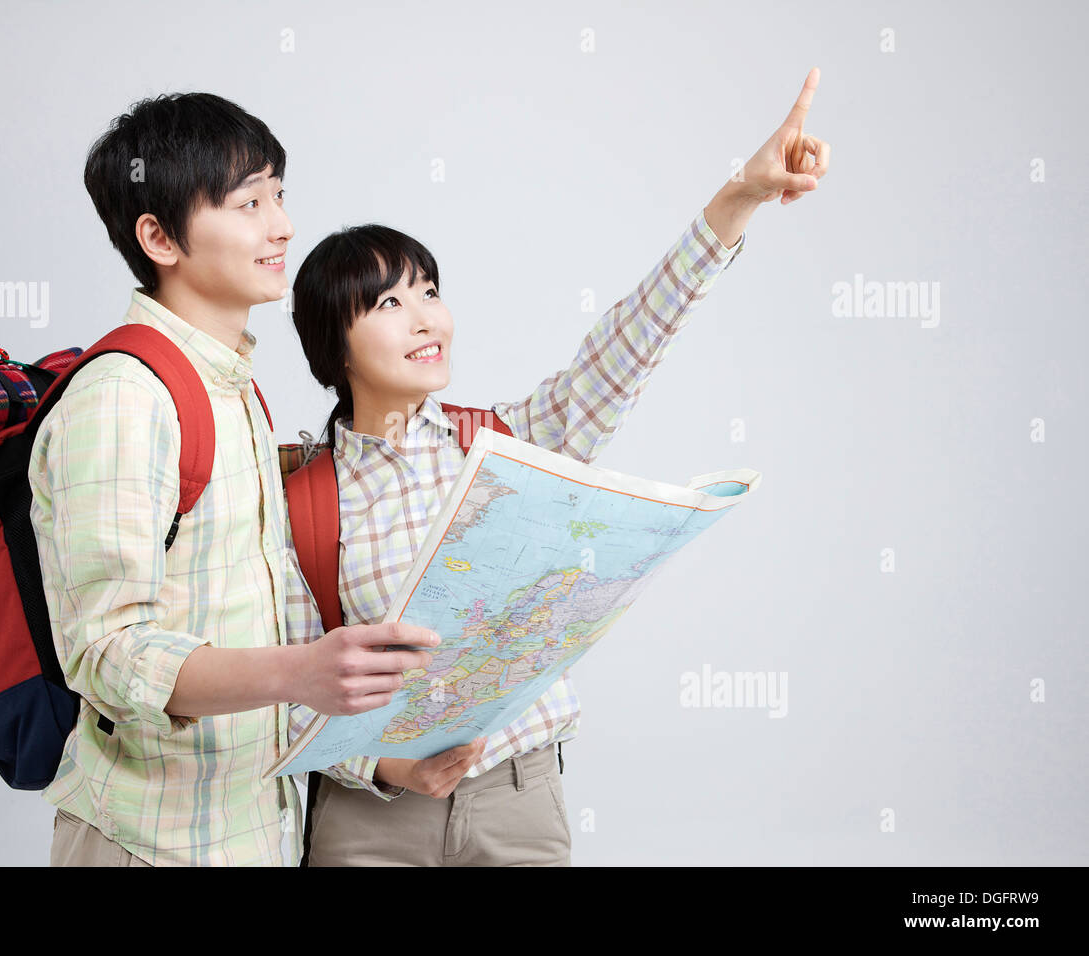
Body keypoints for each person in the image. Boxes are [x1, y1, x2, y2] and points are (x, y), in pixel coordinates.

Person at [283, 69, 831, 865]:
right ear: (334, 346)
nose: (426, 316)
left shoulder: (502, 447)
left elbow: (626, 345)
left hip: (517, 799)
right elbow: (285, 687)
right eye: (389, 303)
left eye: (429, 290)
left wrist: (740, 196)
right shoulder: (300, 500)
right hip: (369, 819)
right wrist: (386, 764)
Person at [28, 92, 439, 867]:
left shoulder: (234, 388)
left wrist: (375, 758)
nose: (281, 224)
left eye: (278, 195)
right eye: (247, 202)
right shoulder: (124, 395)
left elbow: (270, 633)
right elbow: (107, 653)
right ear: (159, 236)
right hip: (146, 842)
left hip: (248, 836)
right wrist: (302, 671)